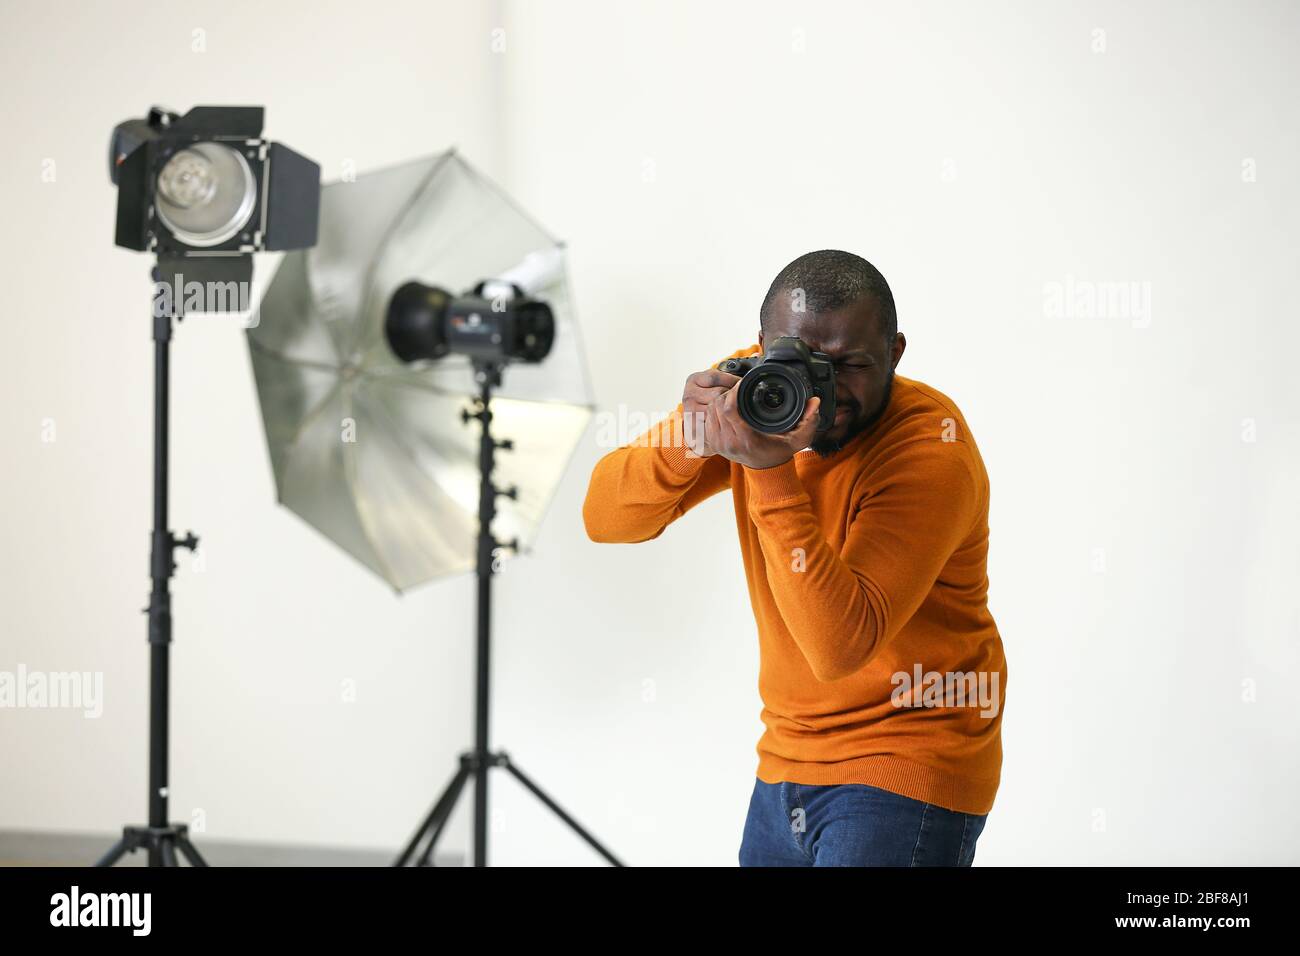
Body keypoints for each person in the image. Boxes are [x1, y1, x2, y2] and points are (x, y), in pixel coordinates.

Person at [582, 250, 1006, 866]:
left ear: (896, 351)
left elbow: (840, 648)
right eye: (804, 361)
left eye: (852, 365)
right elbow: (605, 519)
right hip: (786, 760)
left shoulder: (929, 449)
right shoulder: (760, 392)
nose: (824, 389)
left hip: (909, 764)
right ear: (762, 346)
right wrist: (688, 438)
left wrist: (770, 469)